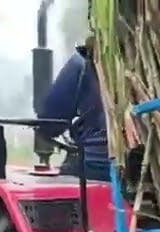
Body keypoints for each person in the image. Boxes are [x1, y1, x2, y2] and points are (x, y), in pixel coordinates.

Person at [37, 34, 111, 180]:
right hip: (143, 167)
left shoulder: (82, 61)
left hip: (92, 165)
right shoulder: (154, 54)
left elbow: (50, 123)